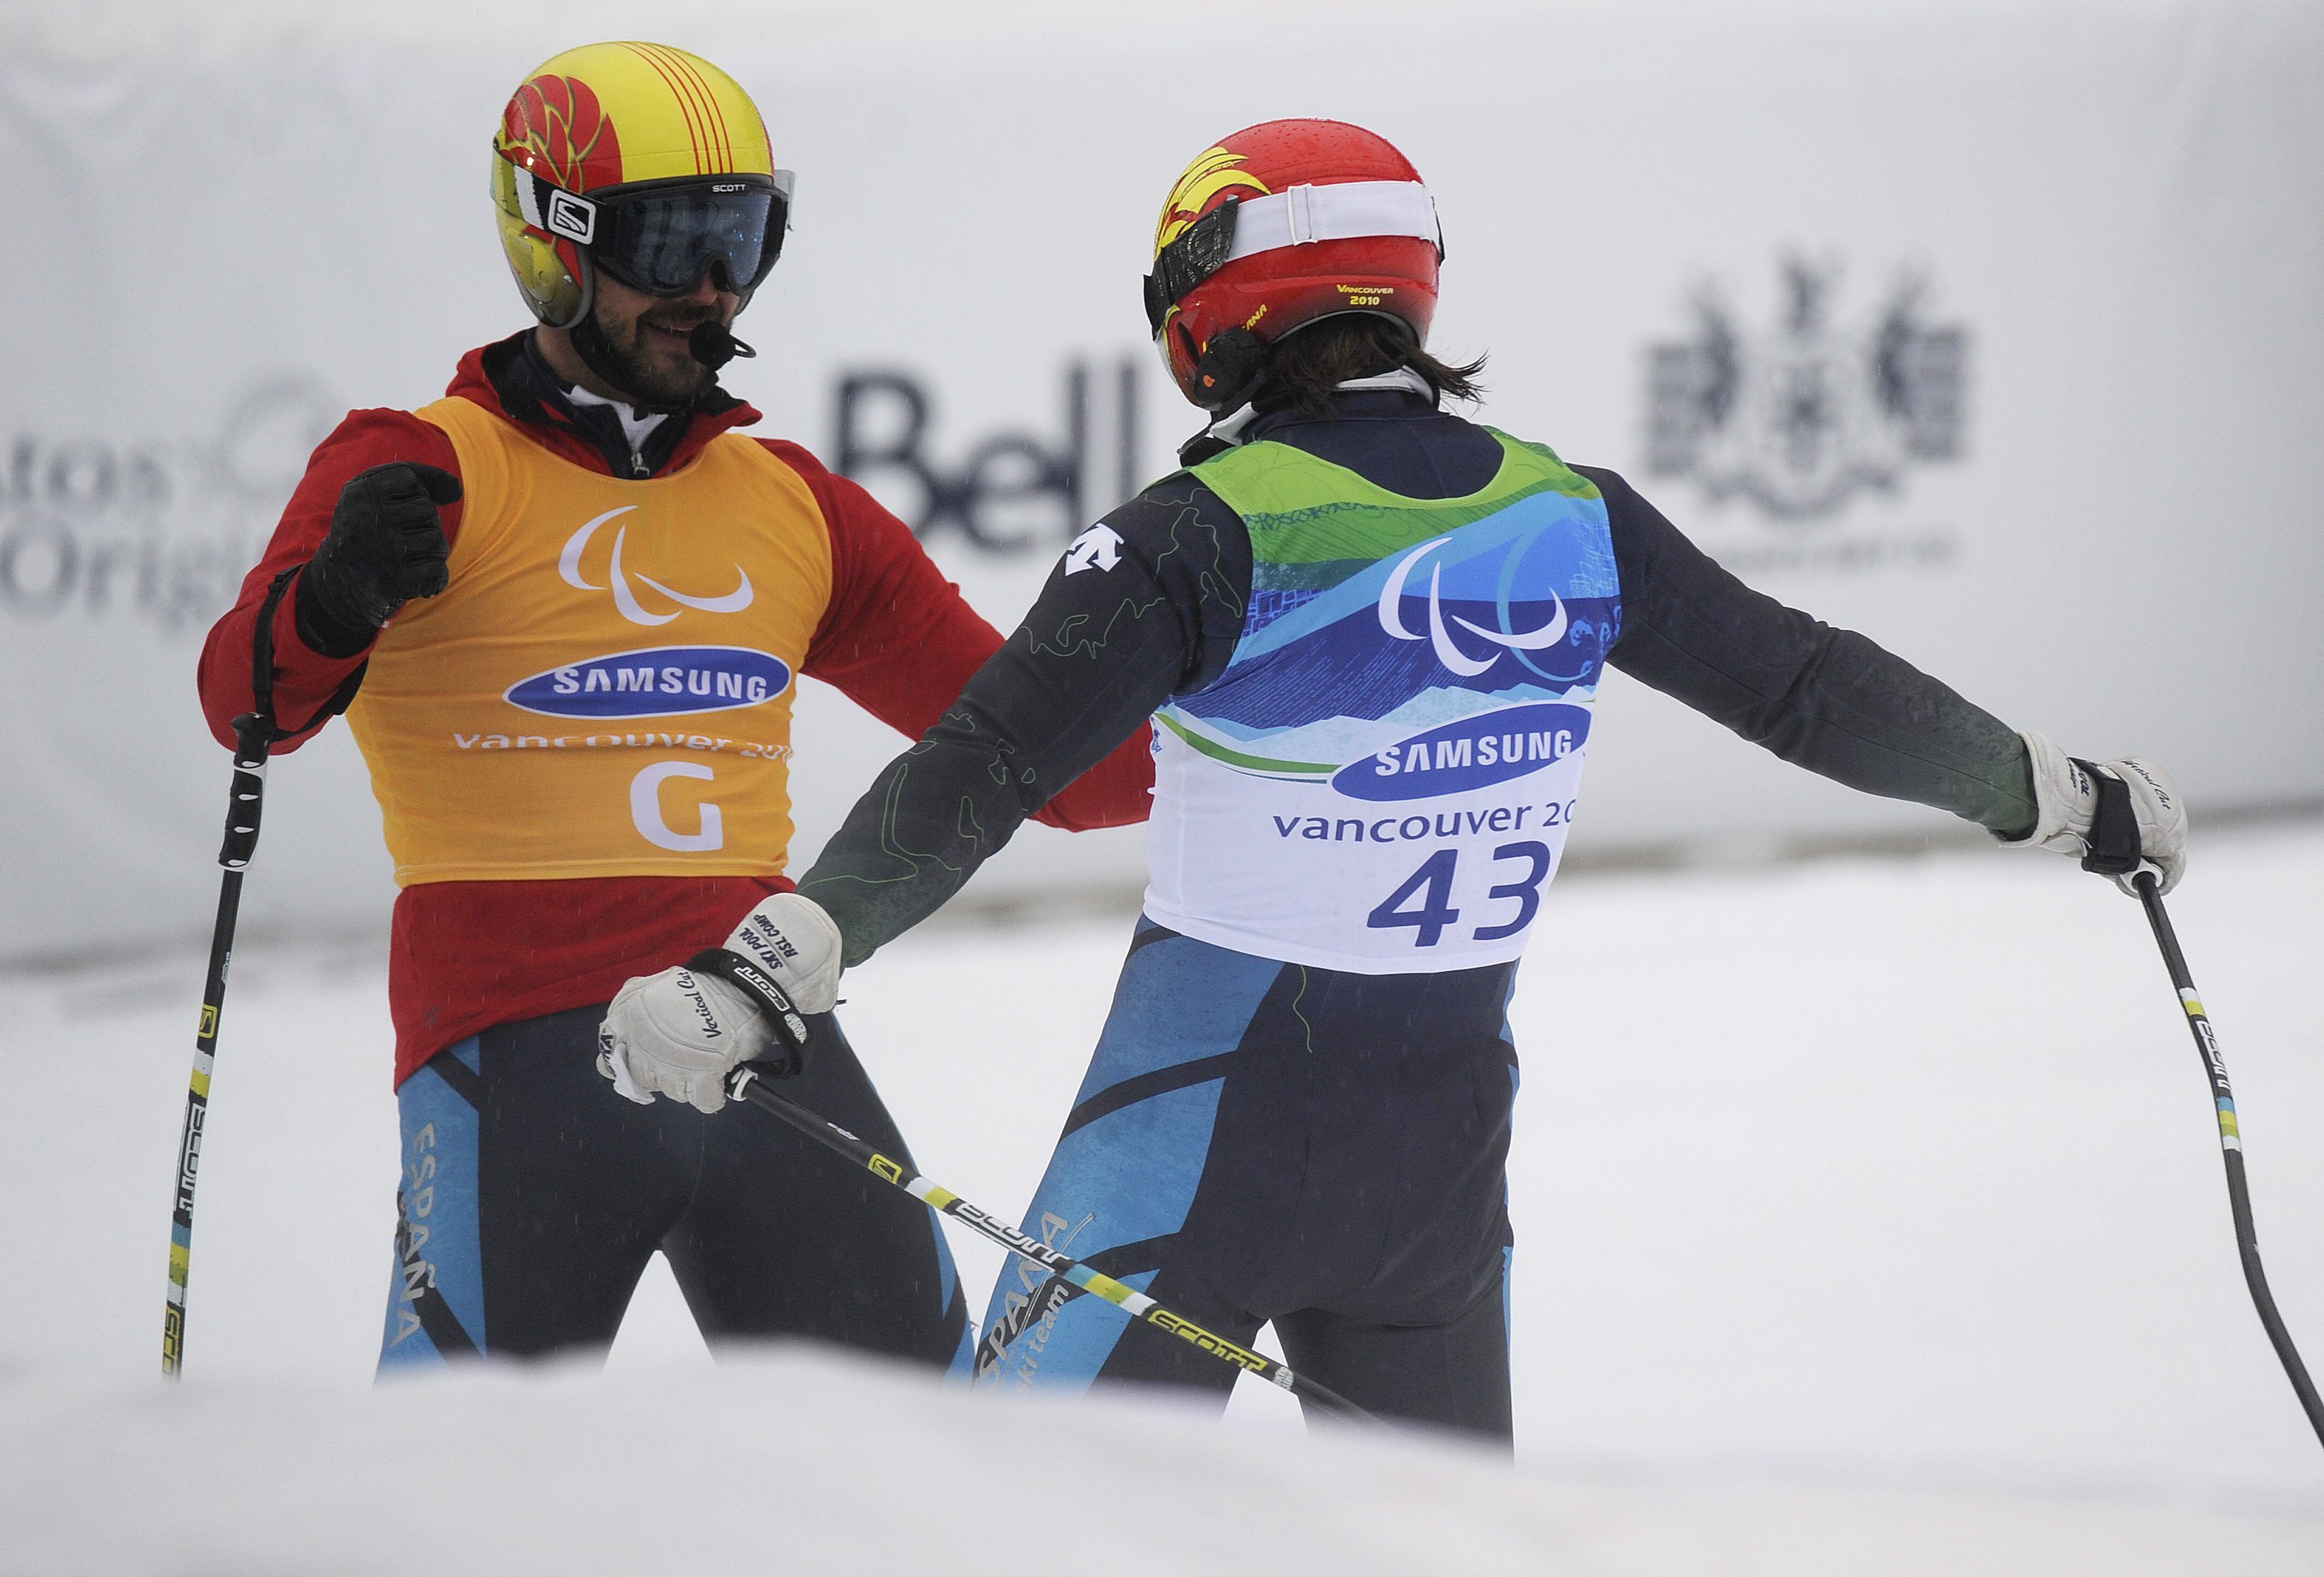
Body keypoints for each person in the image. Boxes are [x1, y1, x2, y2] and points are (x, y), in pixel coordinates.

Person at [597, 119, 2184, 1439]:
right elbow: (1810, 689)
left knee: (1011, 1532)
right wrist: (2054, 791)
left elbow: (986, 765)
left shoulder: (1199, 525)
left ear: (1217, 305)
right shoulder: (1574, 513)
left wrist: (767, 970)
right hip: (1437, 1167)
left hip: (1193, 1140)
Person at [195, 42, 1154, 1374]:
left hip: (756, 1040)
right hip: (512, 1050)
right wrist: (335, 601)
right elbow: (246, 706)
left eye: (741, 242)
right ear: (553, 243)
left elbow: (1076, 774)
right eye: (667, 243)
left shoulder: (795, 502)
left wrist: (1282, 660)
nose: (709, 290)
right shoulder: (422, 463)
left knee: (933, 1474)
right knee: (452, 1505)